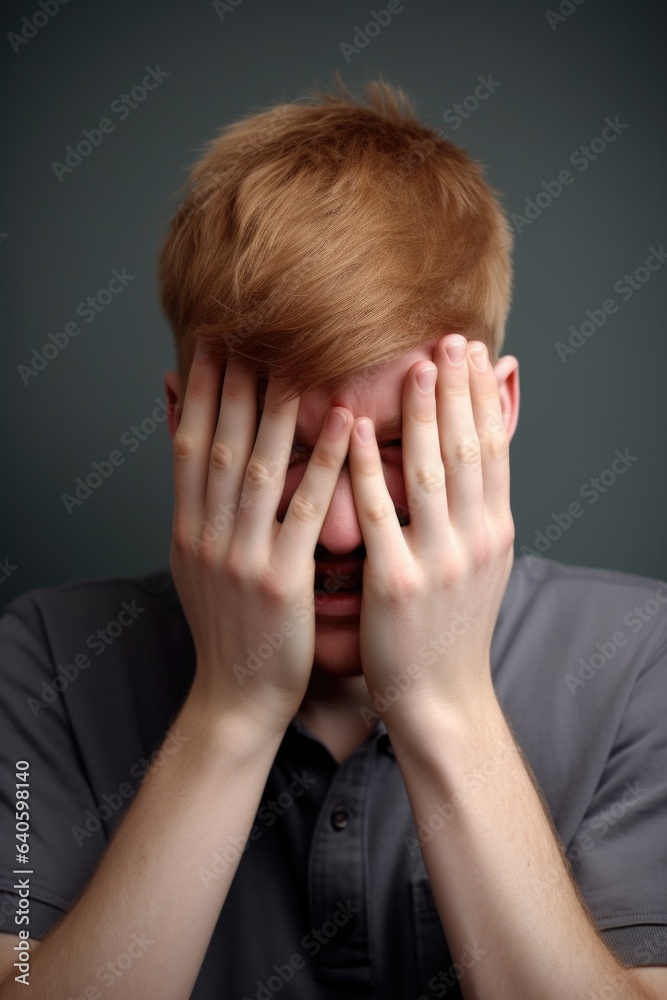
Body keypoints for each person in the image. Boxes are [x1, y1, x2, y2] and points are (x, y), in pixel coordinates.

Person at [0, 76, 665, 1000]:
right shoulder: (41, 662)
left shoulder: (640, 661)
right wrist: (232, 707)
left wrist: (445, 702)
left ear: (496, 413)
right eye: (287, 455)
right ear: (186, 426)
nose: (342, 528)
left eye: (393, 447)